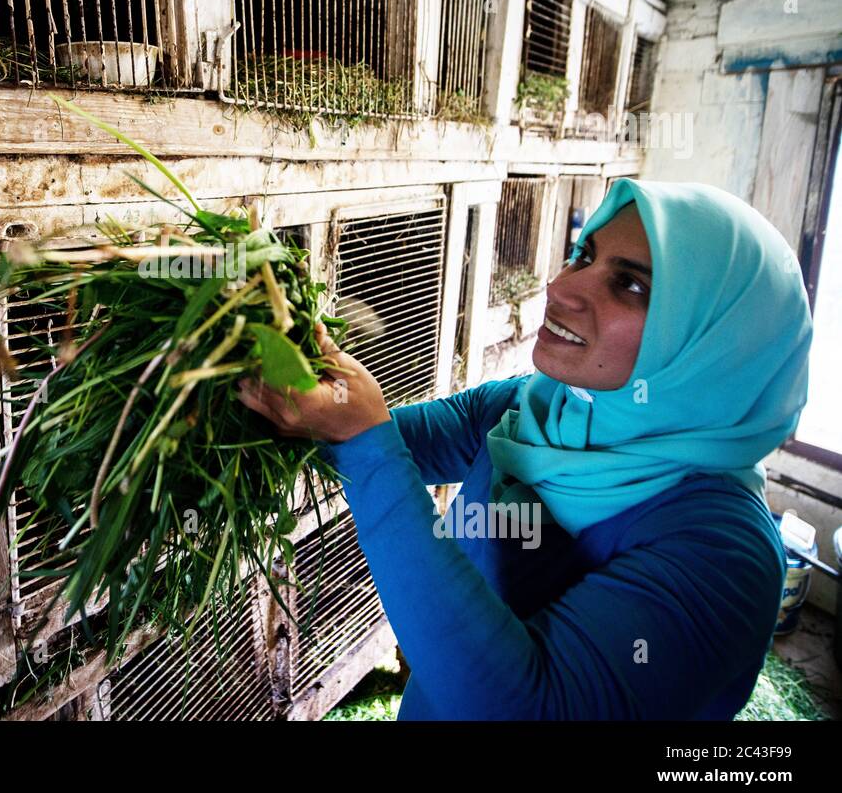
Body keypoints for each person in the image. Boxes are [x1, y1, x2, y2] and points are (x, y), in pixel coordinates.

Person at [238, 179, 813, 719]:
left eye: (629, 284)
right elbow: (381, 434)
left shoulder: (725, 556)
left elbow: (521, 706)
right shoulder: (537, 407)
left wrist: (362, 440)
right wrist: (276, 382)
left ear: (714, 345)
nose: (561, 286)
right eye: (584, 256)